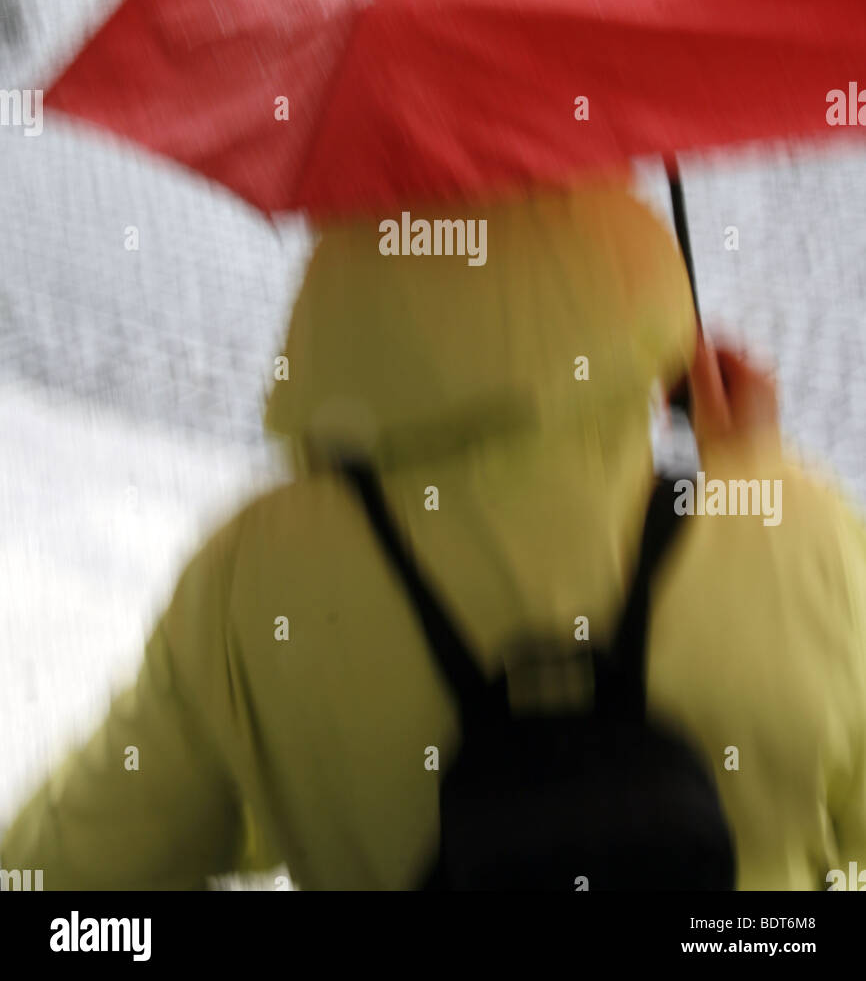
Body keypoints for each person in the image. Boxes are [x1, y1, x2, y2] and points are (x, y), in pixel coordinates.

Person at [3, 183, 866, 890]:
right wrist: (755, 473)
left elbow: (61, 873)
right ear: (626, 263)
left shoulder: (255, 579)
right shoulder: (805, 533)